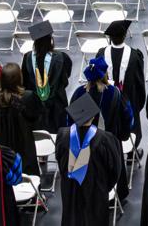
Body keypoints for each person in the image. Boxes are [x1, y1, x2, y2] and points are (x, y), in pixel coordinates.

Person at [54, 94, 126, 226]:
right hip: (96, 191)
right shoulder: (106, 139)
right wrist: (104, 186)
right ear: (93, 117)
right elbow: (115, 170)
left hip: (71, 190)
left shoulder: (62, 136)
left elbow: (59, 161)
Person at [0, 62, 43, 177]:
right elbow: (38, 121)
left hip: (2, 150)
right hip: (25, 148)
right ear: (19, 78)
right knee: (27, 178)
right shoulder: (28, 97)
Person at [20, 21, 72, 131]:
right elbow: (65, 80)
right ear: (50, 40)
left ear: (35, 42)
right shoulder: (62, 57)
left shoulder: (27, 58)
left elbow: (24, 83)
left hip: (34, 107)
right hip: (56, 106)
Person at [71, 56, 135, 143]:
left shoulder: (79, 92)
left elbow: (71, 121)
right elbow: (127, 116)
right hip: (109, 142)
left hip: (84, 144)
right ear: (105, 74)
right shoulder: (114, 92)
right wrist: (124, 135)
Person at [101, 19, 146, 141]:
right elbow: (140, 84)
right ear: (125, 35)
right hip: (129, 100)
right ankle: (132, 153)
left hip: (107, 100)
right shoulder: (135, 56)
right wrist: (137, 106)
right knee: (130, 129)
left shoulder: (101, 53)